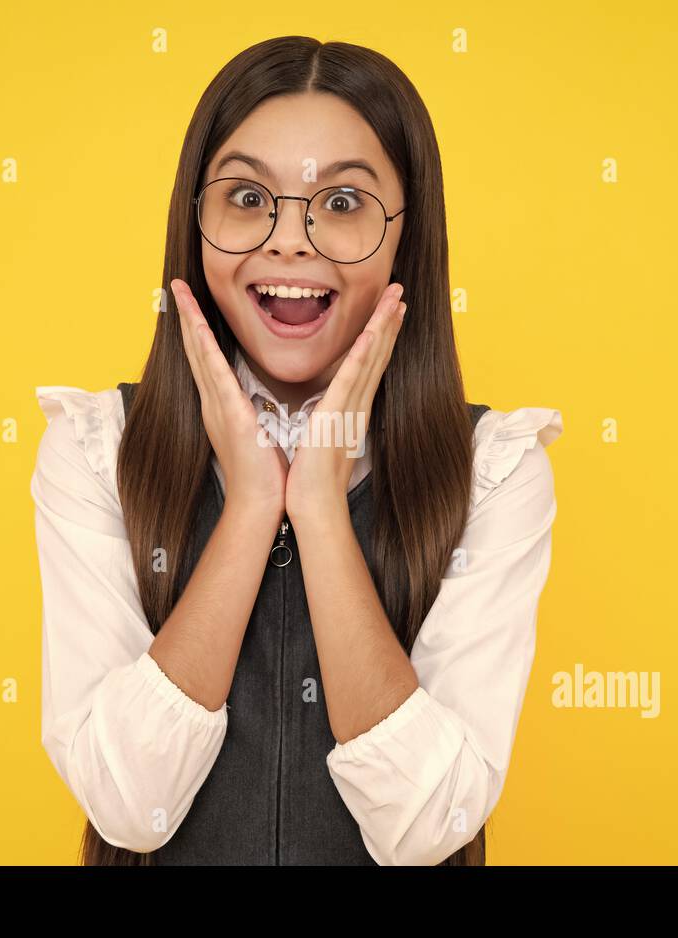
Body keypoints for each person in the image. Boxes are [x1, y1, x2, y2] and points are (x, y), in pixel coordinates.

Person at [30, 35, 562, 865]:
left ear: (404, 238)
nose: (289, 241)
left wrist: (317, 503)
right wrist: (248, 507)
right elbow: (130, 807)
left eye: (342, 202)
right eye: (247, 196)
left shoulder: (494, 470)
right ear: (194, 224)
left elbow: (427, 831)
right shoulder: (98, 450)